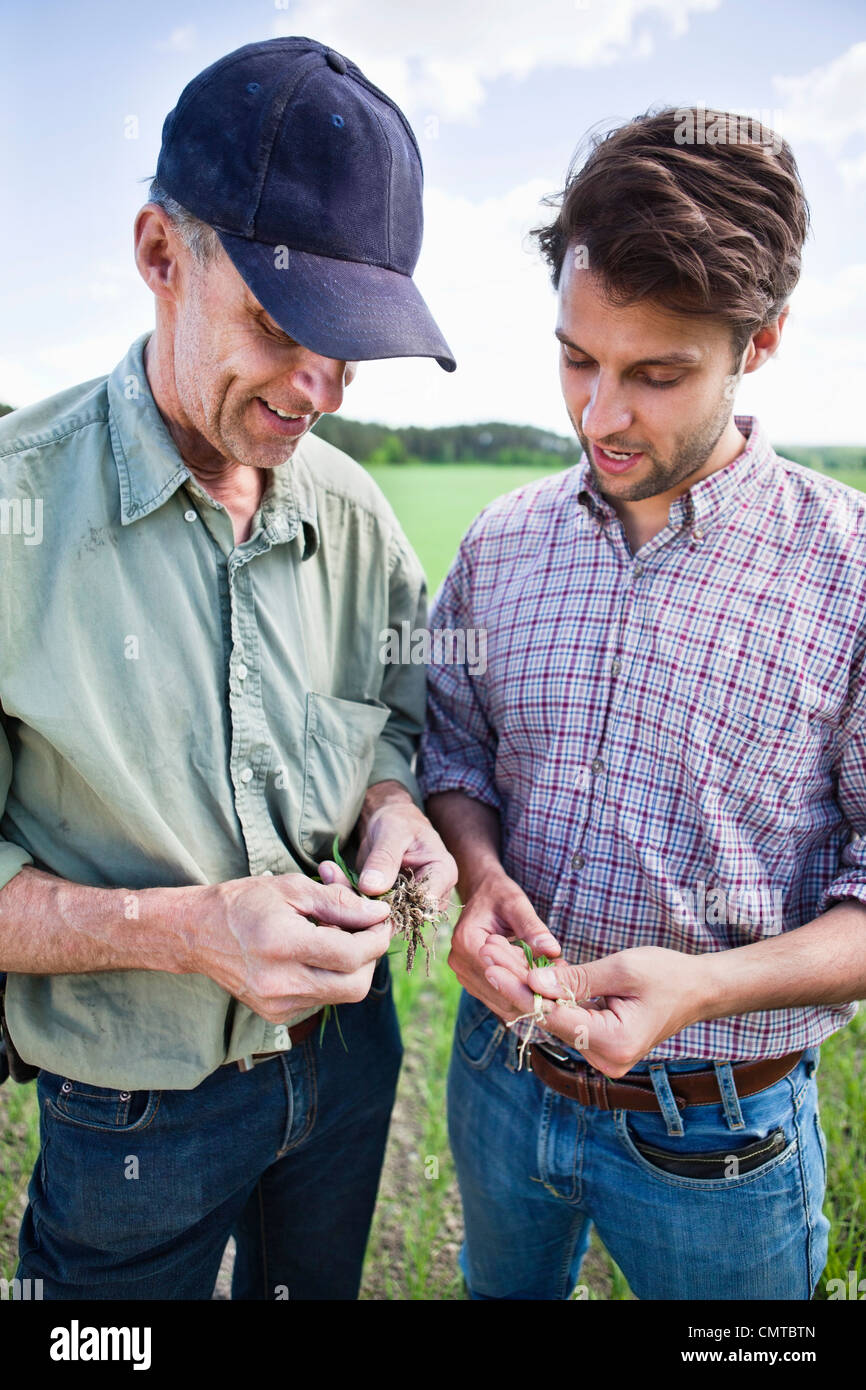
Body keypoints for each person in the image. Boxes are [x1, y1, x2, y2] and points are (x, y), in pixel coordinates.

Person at [0, 35, 456, 1301]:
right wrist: (189, 929)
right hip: (130, 1113)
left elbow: (390, 737)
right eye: (279, 321)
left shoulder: (357, 516)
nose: (319, 387)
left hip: (346, 1065)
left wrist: (396, 812)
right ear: (159, 253)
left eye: (351, 342)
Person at [419, 107, 866, 1301]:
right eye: (577, 357)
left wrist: (705, 988)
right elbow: (451, 755)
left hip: (718, 1136)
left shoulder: (850, 571)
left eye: (656, 373)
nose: (599, 416)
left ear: (758, 341)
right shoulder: (500, 542)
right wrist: (473, 872)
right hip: (500, 1076)